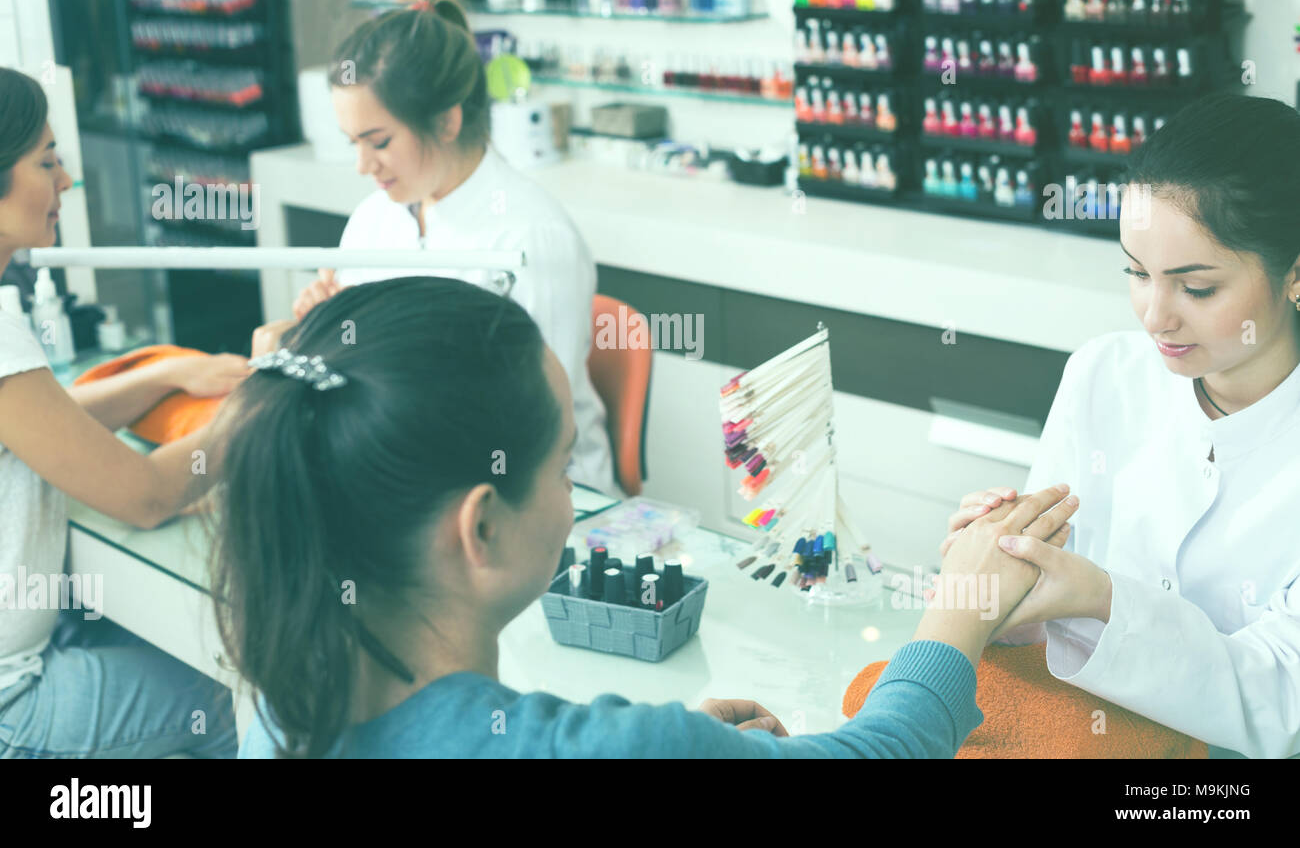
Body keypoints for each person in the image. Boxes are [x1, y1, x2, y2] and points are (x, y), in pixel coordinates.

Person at [218, 275, 1079, 758]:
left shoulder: (282, 717)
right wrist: (960, 609)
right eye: (563, 465)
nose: (578, 497)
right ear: (479, 530)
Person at [944, 93, 1300, 759]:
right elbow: (1039, 622)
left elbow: (1284, 700)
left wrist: (1103, 602)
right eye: (1136, 273)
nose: (1154, 316)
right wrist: (997, 569)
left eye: (1196, 289)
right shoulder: (1104, 372)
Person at [284, 0, 616, 495]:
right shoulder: (374, 220)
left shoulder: (531, 237)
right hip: (409, 472)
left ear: (446, 120)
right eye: (353, 143)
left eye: (379, 142)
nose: (363, 166)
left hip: (533, 496)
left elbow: (536, 423)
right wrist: (327, 330)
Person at [0, 66, 240, 758]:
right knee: (243, 696)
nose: (66, 182)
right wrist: (251, 412)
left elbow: (42, 424)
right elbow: (145, 495)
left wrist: (165, 373)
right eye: (47, 162)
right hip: (14, 708)